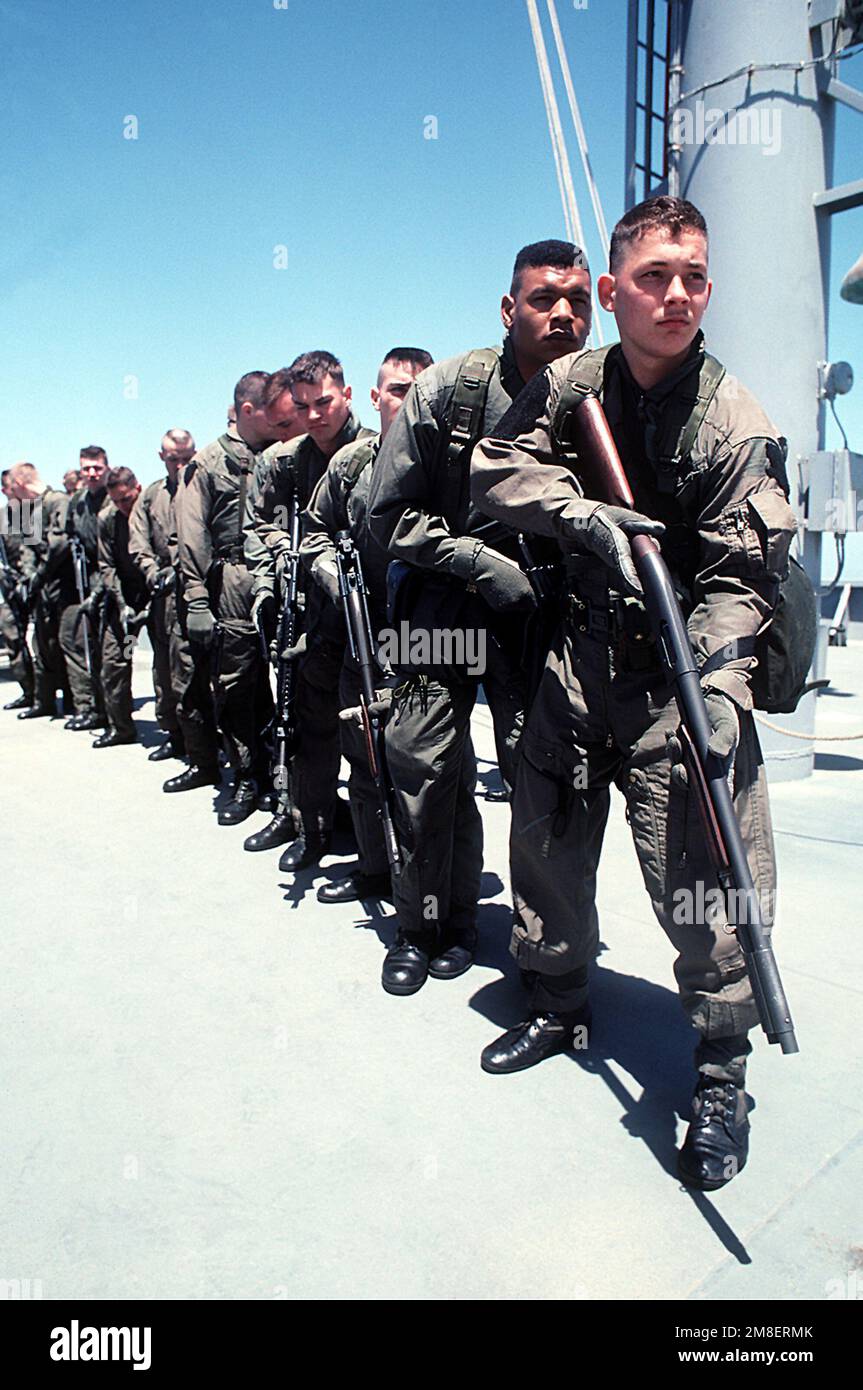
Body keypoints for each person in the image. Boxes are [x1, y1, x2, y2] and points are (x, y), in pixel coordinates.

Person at [470, 196, 797, 1191]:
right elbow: (493, 470)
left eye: (691, 276)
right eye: (652, 276)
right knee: (548, 845)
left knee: (705, 879)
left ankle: (716, 1071)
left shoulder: (733, 419)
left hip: (679, 673)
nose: (674, 295)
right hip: (577, 662)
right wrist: (581, 516)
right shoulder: (568, 379)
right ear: (612, 293)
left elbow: (745, 583)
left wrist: (717, 693)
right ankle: (558, 1000)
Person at [367, 240, 592, 996]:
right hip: (439, 604)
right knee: (422, 763)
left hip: (536, 620)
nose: (562, 314)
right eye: (542, 299)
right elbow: (386, 516)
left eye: (577, 301)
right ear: (509, 308)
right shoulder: (448, 390)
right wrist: (476, 562)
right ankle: (428, 925)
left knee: (540, 779)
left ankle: (545, 956)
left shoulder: (596, 397)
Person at [302, 347, 434, 903]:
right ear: (375, 397)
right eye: (395, 390)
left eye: (417, 389)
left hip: (429, 645)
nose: (405, 401)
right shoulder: (350, 465)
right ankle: (375, 871)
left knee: (426, 773)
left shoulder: (447, 464)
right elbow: (313, 532)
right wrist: (329, 567)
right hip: (361, 638)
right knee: (363, 761)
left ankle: (430, 894)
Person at [244, 351, 374, 863]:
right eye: (304, 406)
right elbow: (257, 527)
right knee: (305, 727)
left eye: (324, 402)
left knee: (365, 738)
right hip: (309, 619)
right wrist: (281, 566)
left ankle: (373, 857)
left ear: (345, 394)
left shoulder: (376, 450)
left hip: (366, 619)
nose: (316, 415)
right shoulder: (284, 462)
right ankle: (310, 830)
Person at [177, 373, 285, 823]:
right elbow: (192, 532)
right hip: (233, 580)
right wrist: (197, 597)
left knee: (292, 684)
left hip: (281, 573)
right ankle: (246, 775)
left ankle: (285, 780)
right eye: (271, 411)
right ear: (246, 410)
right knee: (239, 685)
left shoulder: (284, 453)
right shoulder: (208, 463)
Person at [129, 430, 197, 763]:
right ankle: (175, 734)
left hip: (198, 592)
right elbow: (138, 542)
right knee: (165, 670)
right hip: (163, 596)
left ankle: (206, 745)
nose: (181, 465)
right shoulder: (151, 496)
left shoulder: (203, 485)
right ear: (162, 457)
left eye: (187, 457)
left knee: (197, 673)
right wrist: (154, 573)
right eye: (174, 459)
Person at [9, 462, 73, 718]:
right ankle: (43, 702)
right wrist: (29, 578)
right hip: (42, 589)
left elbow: (58, 543)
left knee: (67, 645)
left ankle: (75, 701)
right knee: (42, 646)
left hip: (63, 585)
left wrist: (40, 573)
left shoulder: (57, 500)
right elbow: (27, 548)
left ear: (22, 484)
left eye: (13, 487)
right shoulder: (30, 510)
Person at [92, 467, 149, 747]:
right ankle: (122, 728)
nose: (122, 507)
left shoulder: (151, 509)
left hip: (156, 598)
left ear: (136, 489)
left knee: (170, 668)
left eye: (126, 499)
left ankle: (182, 737)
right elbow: (107, 565)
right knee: (117, 660)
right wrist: (123, 604)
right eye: (115, 501)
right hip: (125, 602)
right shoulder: (108, 520)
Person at [58, 446, 111, 730]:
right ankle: (88, 707)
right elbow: (68, 534)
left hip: (112, 578)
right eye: (86, 469)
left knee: (107, 653)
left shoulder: (111, 498)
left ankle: (109, 714)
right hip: (86, 576)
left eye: (97, 468)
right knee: (78, 642)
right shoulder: (76, 501)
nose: (91, 473)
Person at [1, 467, 36, 710]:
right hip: (10, 587)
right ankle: (29, 691)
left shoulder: (32, 512)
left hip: (35, 584)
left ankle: (55, 694)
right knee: (13, 636)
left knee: (46, 642)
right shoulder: (3, 516)